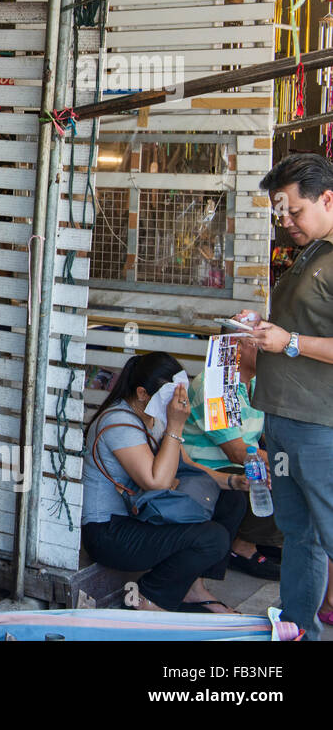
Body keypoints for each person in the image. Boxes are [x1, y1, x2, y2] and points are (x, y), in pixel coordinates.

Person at [236, 153, 333, 636]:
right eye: (280, 213)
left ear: (327, 199)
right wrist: (264, 333)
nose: (286, 221)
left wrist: (288, 343)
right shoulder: (311, 251)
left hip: (321, 428)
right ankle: (300, 629)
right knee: (299, 534)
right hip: (282, 421)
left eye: (294, 211)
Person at [81, 352, 247, 613]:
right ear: (142, 394)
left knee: (232, 500)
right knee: (211, 538)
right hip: (109, 532)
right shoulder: (118, 424)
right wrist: (176, 427)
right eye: (170, 396)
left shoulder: (153, 419)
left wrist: (233, 481)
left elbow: (189, 467)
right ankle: (148, 597)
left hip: (142, 515)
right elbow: (157, 482)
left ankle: (193, 588)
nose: (177, 403)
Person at [182, 331, 283, 580]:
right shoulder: (216, 385)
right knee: (285, 473)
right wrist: (291, 461)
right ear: (238, 348)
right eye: (260, 344)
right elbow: (238, 452)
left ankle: (262, 540)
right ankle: (242, 545)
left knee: (289, 470)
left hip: (241, 462)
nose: (269, 350)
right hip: (208, 469)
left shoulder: (256, 383)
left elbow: (263, 436)